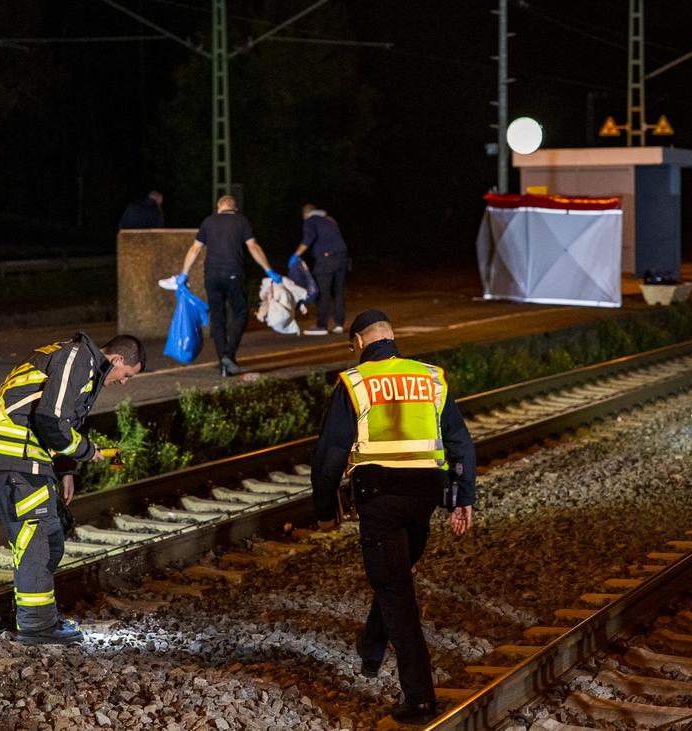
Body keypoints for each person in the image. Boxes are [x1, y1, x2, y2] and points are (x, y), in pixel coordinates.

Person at [311, 310, 476, 724]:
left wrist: (323, 512)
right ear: (392, 337)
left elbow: (330, 455)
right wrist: (464, 497)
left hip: (380, 501)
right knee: (394, 577)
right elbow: (460, 441)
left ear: (359, 342)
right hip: (424, 498)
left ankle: (420, 699)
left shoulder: (355, 381)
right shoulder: (431, 377)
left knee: (397, 595)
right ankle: (370, 646)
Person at [0, 333, 145, 645]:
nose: (124, 382)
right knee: (37, 541)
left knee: (51, 537)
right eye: (127, 375)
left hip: (25, 457)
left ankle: (39, 617)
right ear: (116, 360)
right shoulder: (78, 359)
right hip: (13, 455)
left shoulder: (80, 363)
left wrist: (67, 470)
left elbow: (60, 421)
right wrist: (87, 450)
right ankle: (36, 627)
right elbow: (50, 419)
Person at [177, 195, 283, 377]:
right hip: (234, 274)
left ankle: (224, 366)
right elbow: (253, 246)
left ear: (219, 207)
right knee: (240, 312)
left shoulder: (208, 222)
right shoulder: (241, 222)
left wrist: (184, 273)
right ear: (235, 208)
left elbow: (195, 249)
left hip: (211, 276)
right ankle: (229, 354)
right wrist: (269, 270)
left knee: (218, 318)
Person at [289, 204, 349, 335]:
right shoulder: (329, 219)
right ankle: (339, 324)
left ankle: (321, 325)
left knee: (322, 292)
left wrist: (296, 255)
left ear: (305, 214)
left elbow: (308, 239)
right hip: (342, 258)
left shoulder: (310, 221)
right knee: (338, 291)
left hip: (326, 260)